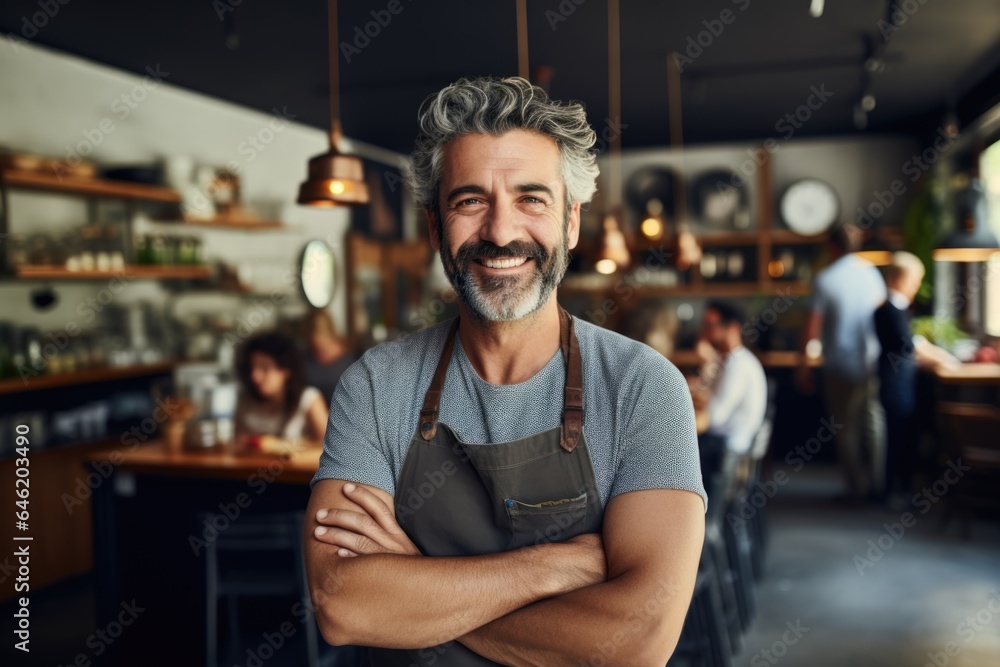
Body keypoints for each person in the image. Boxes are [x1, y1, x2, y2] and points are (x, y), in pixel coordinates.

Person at [305, 76, 706, 666]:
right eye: (470, 200)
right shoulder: (377, 383)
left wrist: (417, 585)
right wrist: (555, 565)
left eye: (530, 199)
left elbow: (638, 641)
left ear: (570, 222)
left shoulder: (643, 387)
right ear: (436, 226)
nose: (499, 231)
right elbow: (343, 605)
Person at [797, 224, 887, 503]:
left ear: (830, 246)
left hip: (840, 366)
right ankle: (878, 486)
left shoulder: (826, 279)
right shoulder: (871, 272)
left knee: (845, 429)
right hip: (873, 362)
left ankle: (856, 490)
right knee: (872, 423)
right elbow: (885, 315)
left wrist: (804, 364)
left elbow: (812, 327)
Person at [874, 251, 959, 500]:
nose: (917, 286)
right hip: (895, 384)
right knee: (898, 437)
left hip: (899, 382)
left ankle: (897, 489)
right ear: (900, 278)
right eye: (914, 280)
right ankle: (894, 491)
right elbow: (907, 345)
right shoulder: (889, 310)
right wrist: (943, 359)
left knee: (902, 435)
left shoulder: (894, 309)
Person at [690, 301, 768, 504]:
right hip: (726, 444)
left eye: (710, 325)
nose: (704, 332)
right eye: (704, 326)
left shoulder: (738, 365)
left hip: (728, 449)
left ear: (732, 328)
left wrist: (705, 368)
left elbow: (714, 418)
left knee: (668, 452)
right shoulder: (726, 361)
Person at [234, 331, 328, 448]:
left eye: (265, 367)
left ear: (286, 370)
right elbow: (236, 445)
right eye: (251, 367)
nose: (255, 376)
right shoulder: (245, 401)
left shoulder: (308, 399)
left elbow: (332, 449)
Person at [302, 308, 356, 407]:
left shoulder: (351, 357)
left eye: (321, 332)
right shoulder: (304, 358)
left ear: (330, 330)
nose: (317, 339)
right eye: (313, 334)